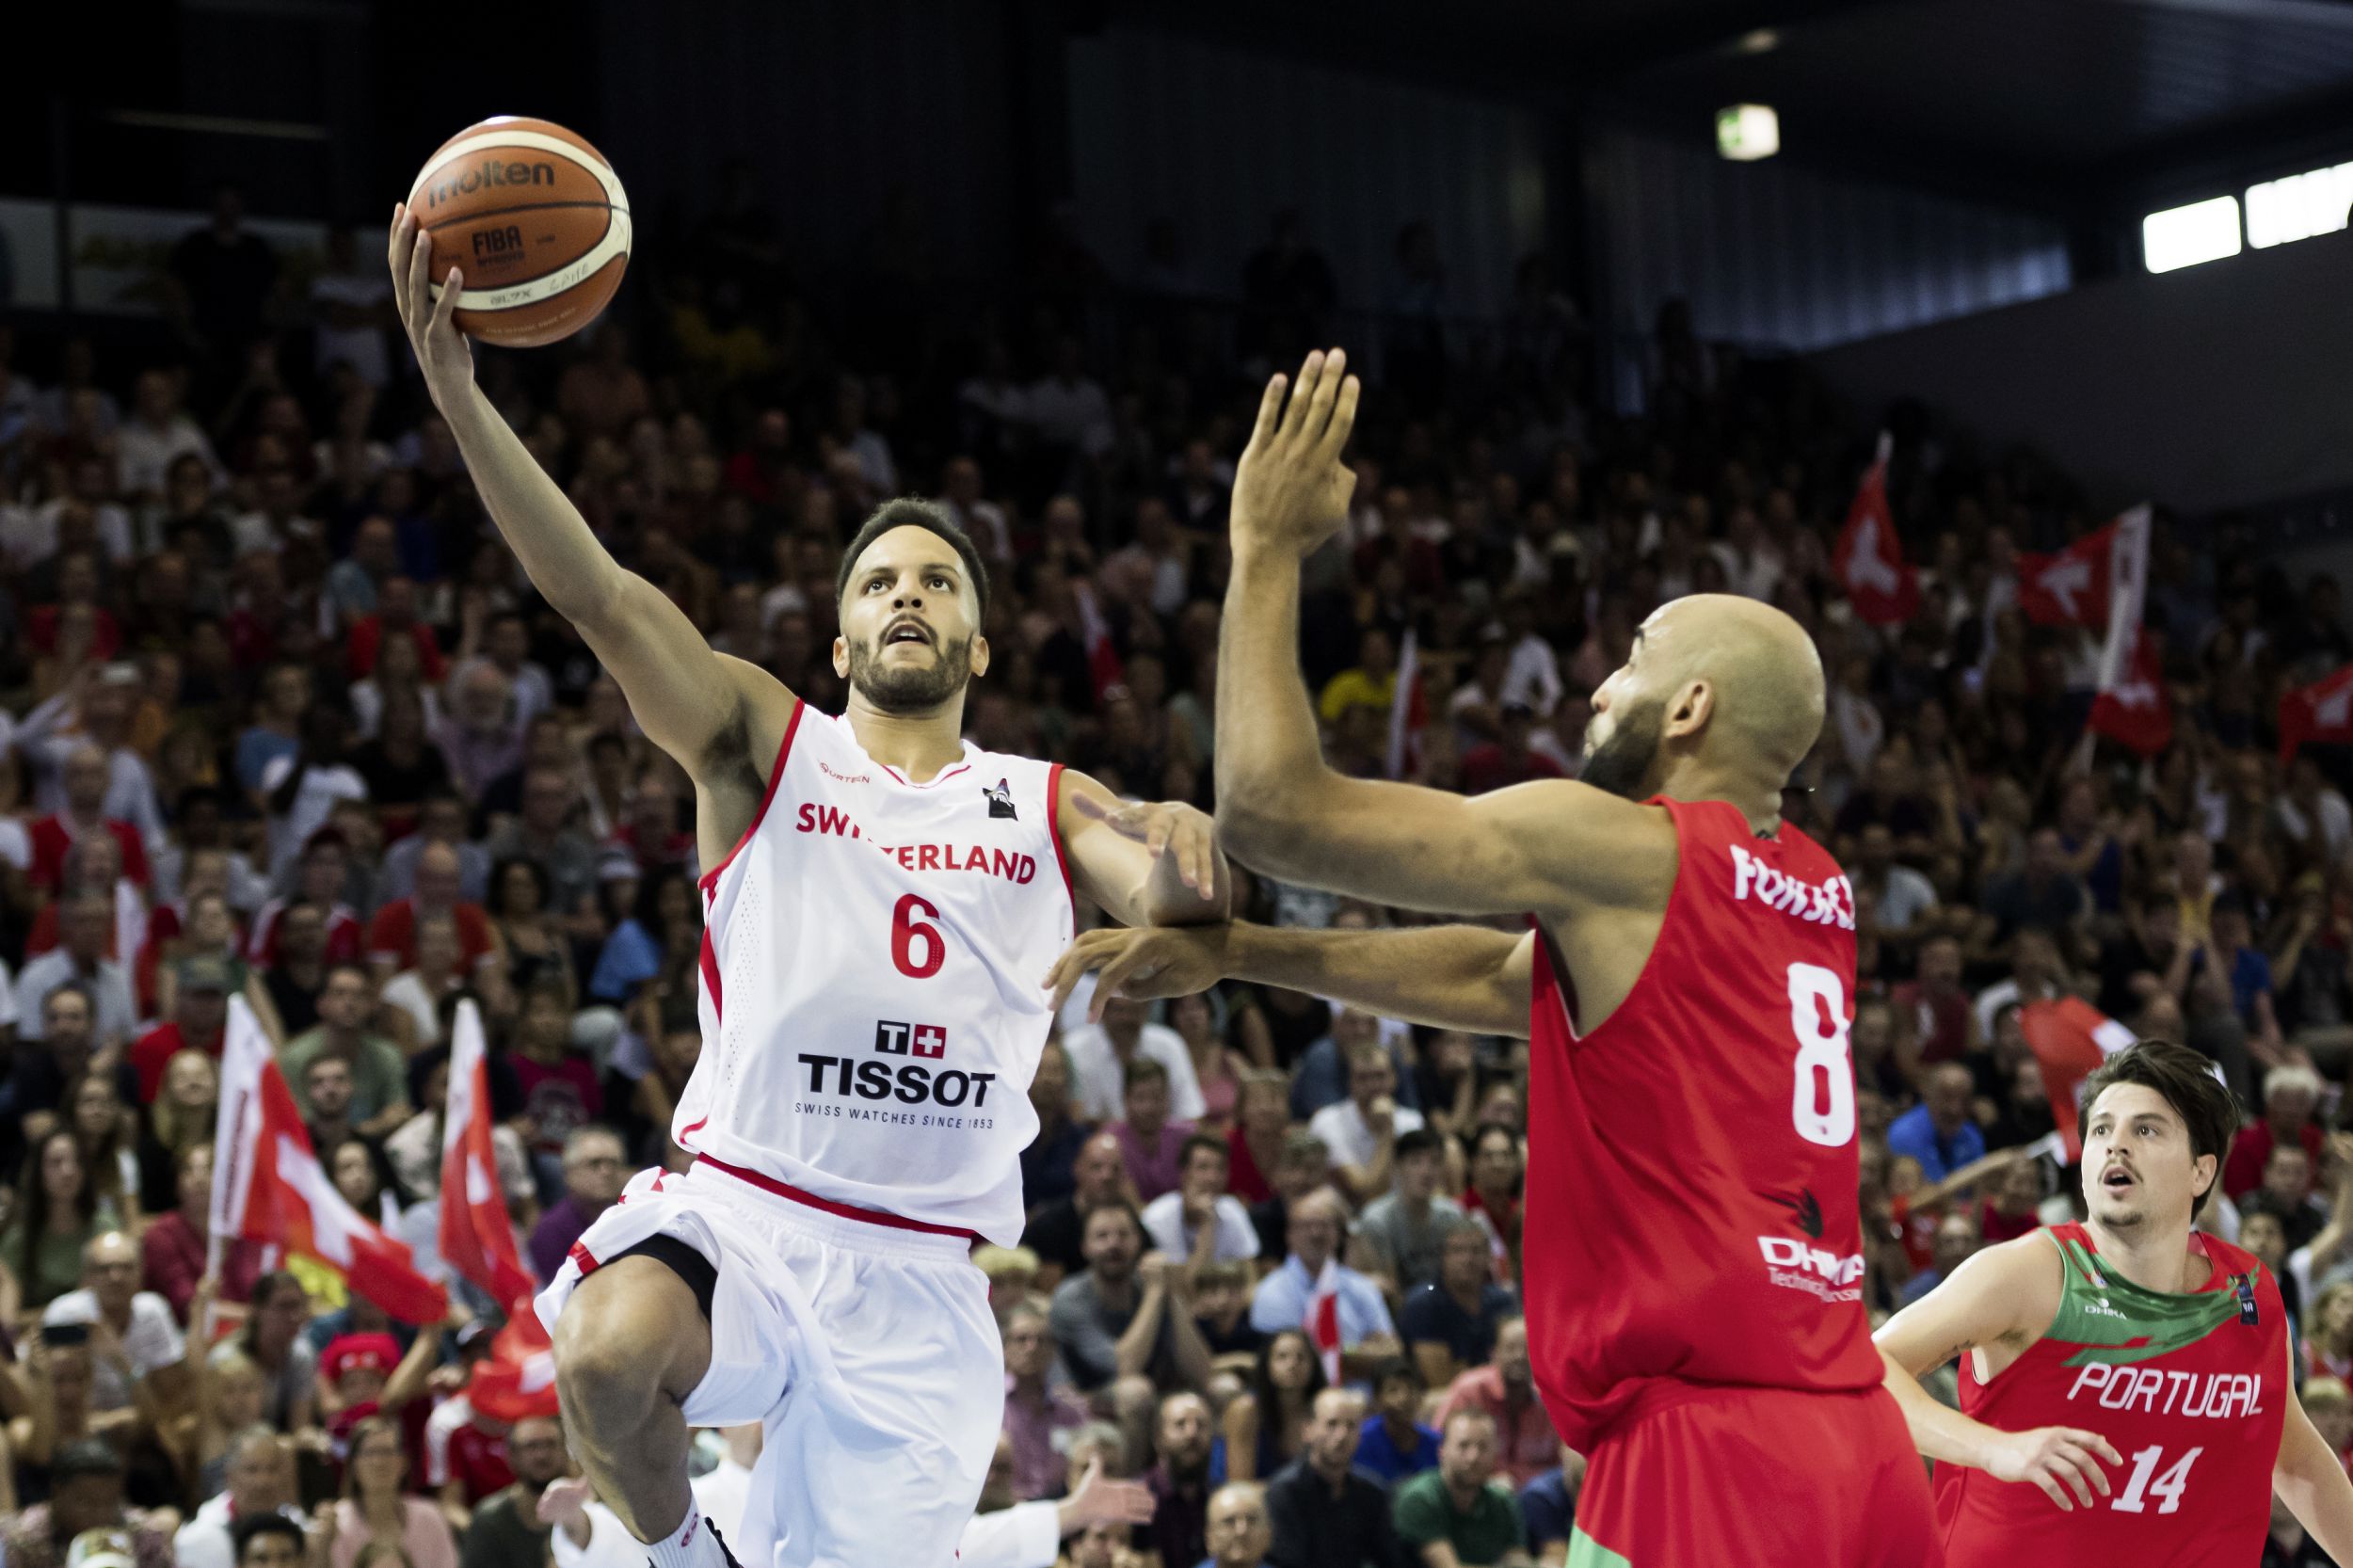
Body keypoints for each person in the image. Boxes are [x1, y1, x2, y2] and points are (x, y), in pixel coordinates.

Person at [391, 207, 1232, 1568]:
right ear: (838, 635)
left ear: (978, 635)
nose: (910, 595)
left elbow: (1179, 908)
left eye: (939, 581)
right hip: (750, 1215)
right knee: (603, 1349)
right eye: (881, 580)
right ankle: (678, 1561)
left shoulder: (1048, 793)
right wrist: (461, 401)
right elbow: (602, 600)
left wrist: (1189, 848)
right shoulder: (763, 742)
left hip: (922, 1282)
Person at [1045, 349, 1931, 1564]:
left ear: (1689, 711)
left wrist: (1262, 547)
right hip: (1853, 1443)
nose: (1597, 683)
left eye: (1630, 658)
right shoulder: (1812, 888)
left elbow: (1269, 810)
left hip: (1709, 1456)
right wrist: (1242, 949)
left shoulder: (1622, 844)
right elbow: (1492, 983)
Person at [1875, 1040, 2353, 1564]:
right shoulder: (2031, 1273)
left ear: (2201, 1172)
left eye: (2145, 1129)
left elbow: (2294, 1454)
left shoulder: (2249, 1293)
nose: (2114, 1146)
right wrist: (1993, 1448)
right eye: (2101, 1129)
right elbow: (1871, 1369)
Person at [1248, 1190, 1401, 1379]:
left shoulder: (1361, 1287)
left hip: (1362, 1396)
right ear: (1290, 1235)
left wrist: (1344, 1350)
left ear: (1338, 1235)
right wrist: (1359, 1350)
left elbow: (1392, 1352)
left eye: (1324, 1225)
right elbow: (1293, 1362)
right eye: (1306, 1225)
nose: (1316, 1233)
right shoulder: (1271, 1291)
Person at [1264, 1387, 1410, 1568]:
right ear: (1308, 1430)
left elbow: (1390, 1560)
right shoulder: (1285, 1492)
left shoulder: (1373, 1492)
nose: (1341, 1435)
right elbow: (1289, 1563)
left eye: (1351, 1426)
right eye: (1331, 1424)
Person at [0, 1436, 176, 1568]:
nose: (99, 1513)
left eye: (109, 1503)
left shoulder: (144, 1537)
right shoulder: (22, 1542)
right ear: (57, 1493)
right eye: (86, 1503)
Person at [1390, 1410, 1529, 1568]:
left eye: (1483, 1447)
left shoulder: (1503, 1502)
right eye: (1463, 1446)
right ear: (1442, 1451)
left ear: (1495, 1453)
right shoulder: (1420, 1498)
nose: (1473, 1457)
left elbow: (1518, 1561)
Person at [323, 1414, 459, 1568]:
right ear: (353, 1465)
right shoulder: (336, 1522)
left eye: (387, 1452)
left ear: (404, 1462)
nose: (379, 1462)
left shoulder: (430, 1517)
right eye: (369, 1453)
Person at [1435, 1319, 1558, 1490]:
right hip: (1475, 1490)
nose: (1519, 1356)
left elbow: (1560, 1465)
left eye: (1527, 1349)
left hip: (1534, 1498)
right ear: (1494, 1353)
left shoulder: (1550, 1399)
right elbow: (1440, 1445)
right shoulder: (1469, 1390)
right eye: (1510, 1348)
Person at [1400, 1218, 1517, 1390]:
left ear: (1488, 1257)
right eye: (1457, 1251)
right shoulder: (1423, 1304)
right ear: (1443, 1257)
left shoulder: (1502, 1301)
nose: (1468, 1259)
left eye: (1476, 1251)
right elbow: (1440, 1383)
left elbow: (1517, 1363)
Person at [1352, 1128, 1465, 1296]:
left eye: (1435, 1162)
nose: (1426, 1172)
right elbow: (1390, 1287)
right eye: (1415, 1162)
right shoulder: (1377, 1220)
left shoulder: (1451, 1215)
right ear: (1398, 1167)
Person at [173, 1426, 306, 1568]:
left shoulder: (297, 1521)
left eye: (272, 1469)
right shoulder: (200, 1537)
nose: (263, 1481)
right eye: (252, 1470)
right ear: (229, 1476)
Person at [457, 1414, 568, 1568]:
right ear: (512, 1455)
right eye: (531, 1446)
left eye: (550, 1444)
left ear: (565, 1450)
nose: (542, 1455)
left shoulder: (589, 1510)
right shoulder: (489, 1520)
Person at [1142, 1131, 1260, 1264]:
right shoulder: (1156, 1218)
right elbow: (1186, 1282)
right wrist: (1206, 1223)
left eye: (1220, 1168)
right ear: (1184, 1174)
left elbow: (1249, 1272)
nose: (1212, 1178)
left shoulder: (1233, 1211)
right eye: (1203, 1167)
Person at [1353, 1361, 1439, 1486]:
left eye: (1411, 1388)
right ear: (1377, 1399)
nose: (1404, 1398)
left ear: (1421, 1396)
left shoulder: (1436, 1444)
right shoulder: (1359, 1441)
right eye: (1393, 1390)